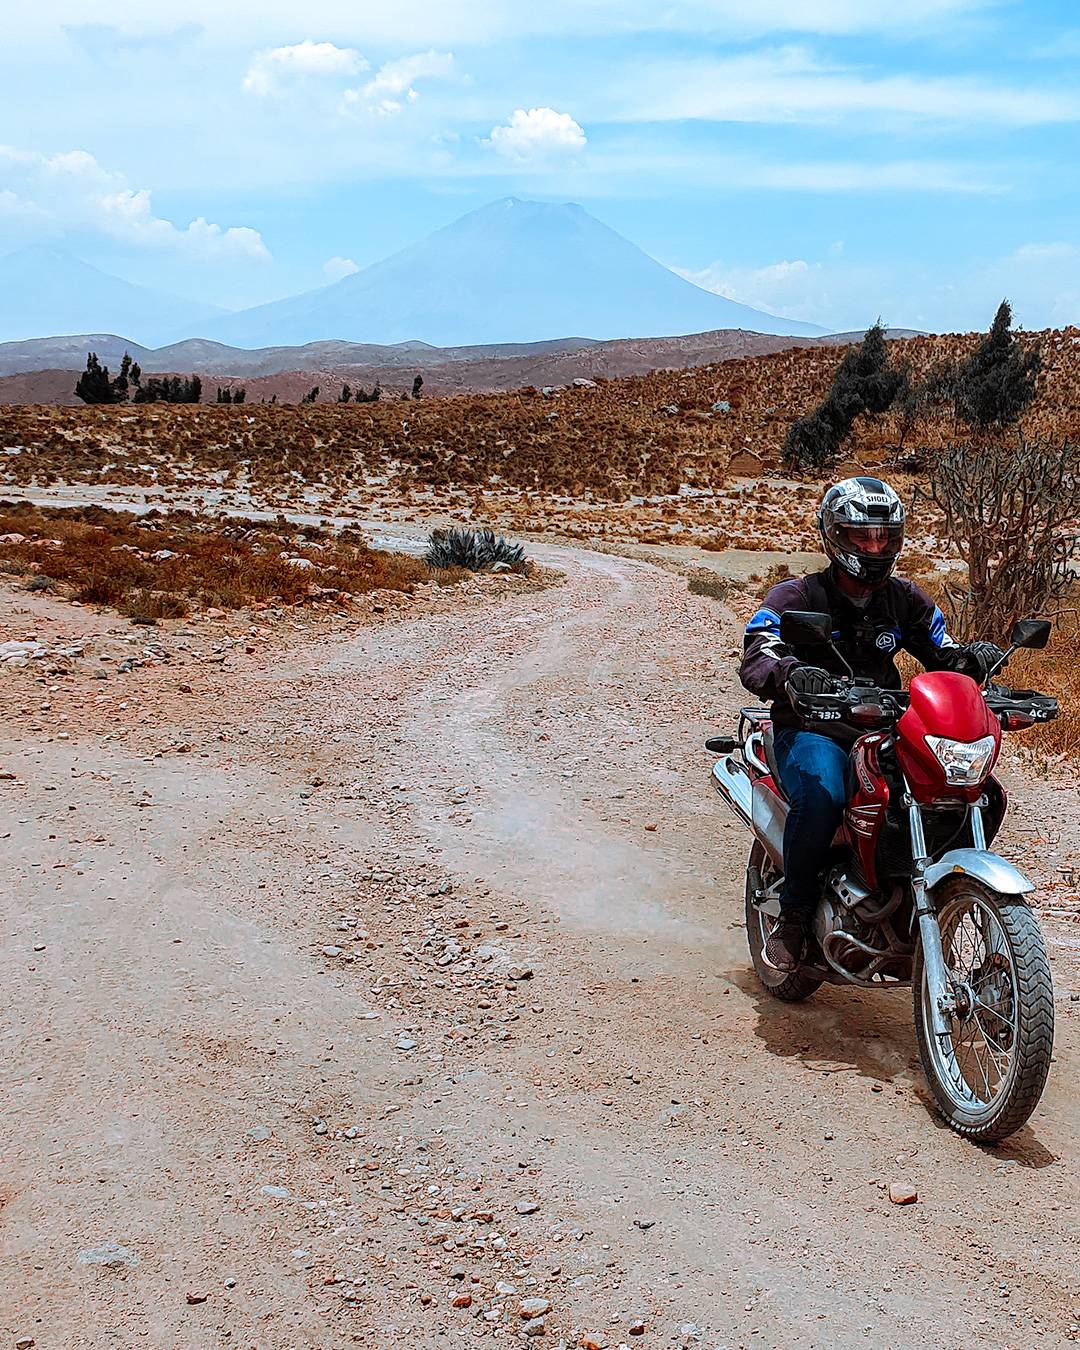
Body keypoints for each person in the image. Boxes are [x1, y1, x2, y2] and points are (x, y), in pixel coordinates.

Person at [739, 476, 1004, 973]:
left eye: (884, 537)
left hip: (885, 726)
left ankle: (933, 899)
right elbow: (759, 652)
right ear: (834, 535)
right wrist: (795, 675)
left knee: (978, 793)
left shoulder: (905, 600)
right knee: (822, 799)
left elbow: (941, 650)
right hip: (816, 728)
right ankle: (794, 918)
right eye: (861, 536)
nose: (874, 547)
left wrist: (971, 662)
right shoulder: (797, 595)